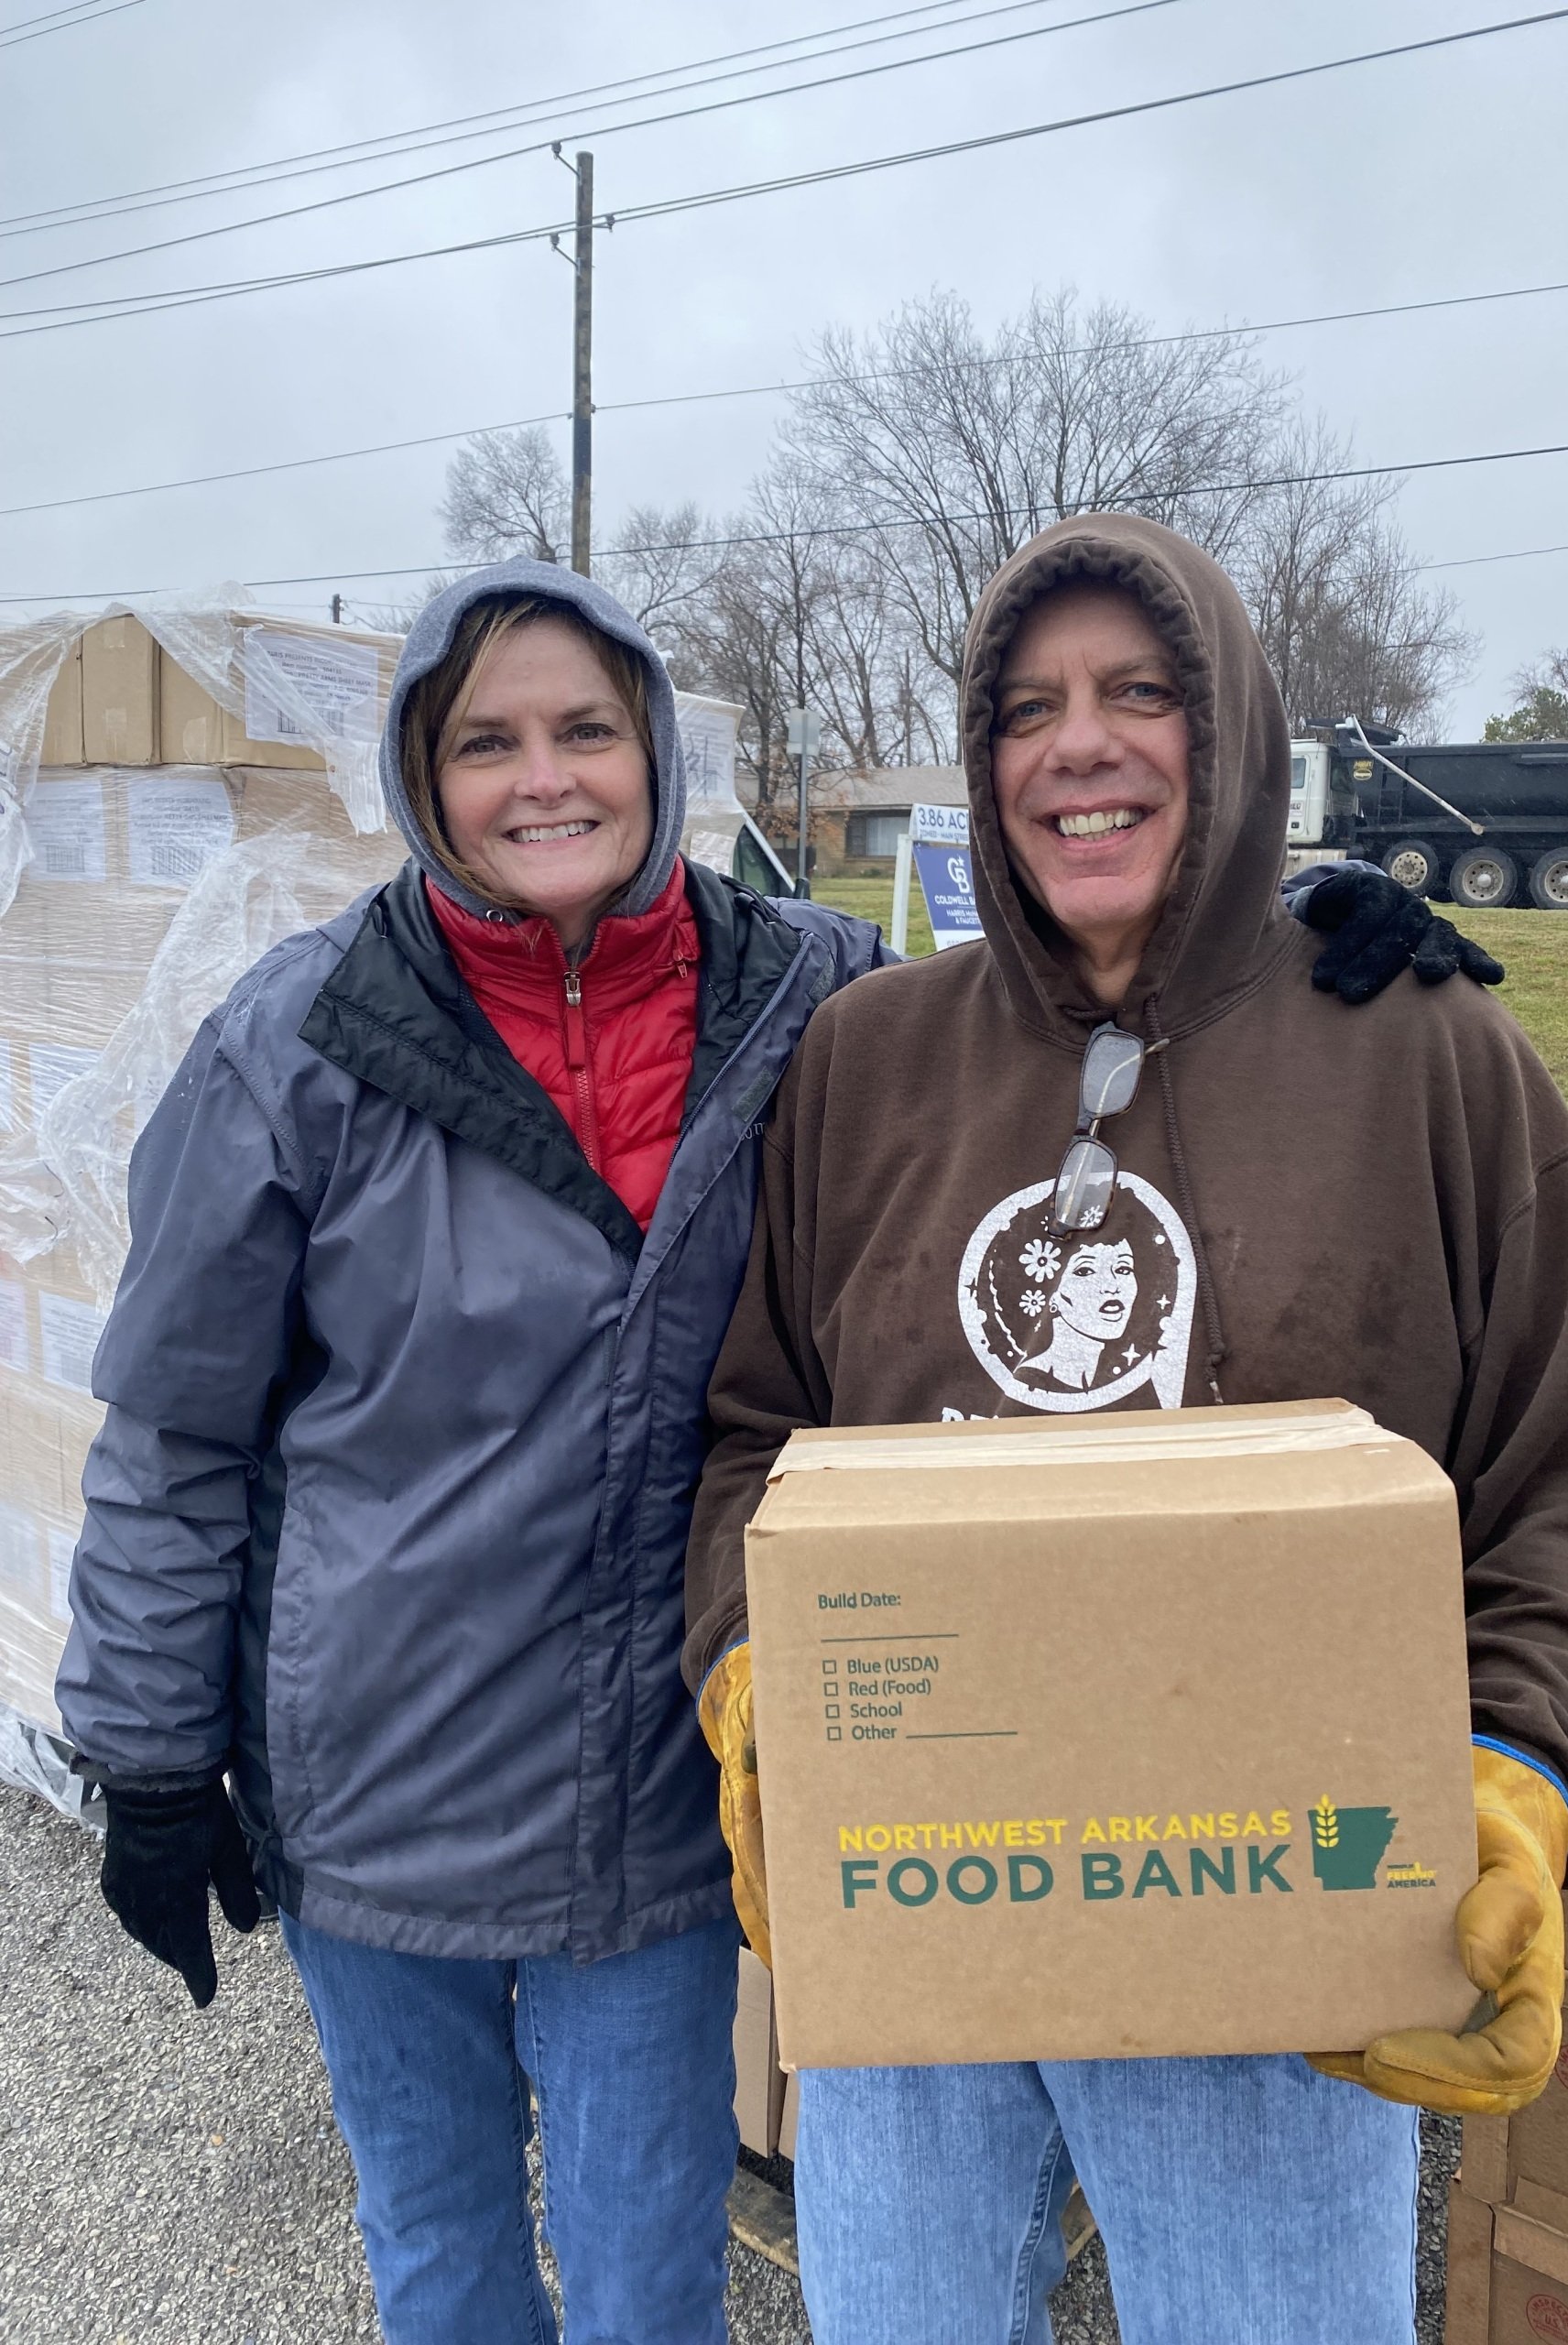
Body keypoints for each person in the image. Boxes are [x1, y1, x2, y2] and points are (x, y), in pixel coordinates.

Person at [56, 553, 1492, 2345]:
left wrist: (1276, 937)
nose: (544, 778)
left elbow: (1056, 1017)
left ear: (655, 750)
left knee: (651, 2264)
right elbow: (175, 1429)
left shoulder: (809, 996)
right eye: (486, 741)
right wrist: (148, 1750)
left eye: (586, 729)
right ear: (423, 775)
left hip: (654, 1796)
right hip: (376, 1793)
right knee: (436, 2241)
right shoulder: (300, 1039)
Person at [683, 514, 1568, 2344]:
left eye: (1140, 692)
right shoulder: (869, 1061)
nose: (1080, 744)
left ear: (1227, 731)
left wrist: (1523, 1773)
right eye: (1029, 708)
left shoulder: (1418, 1048)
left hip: (1277, 1925)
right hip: (926, 1904)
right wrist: (757, 1670)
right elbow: (758, 1430)